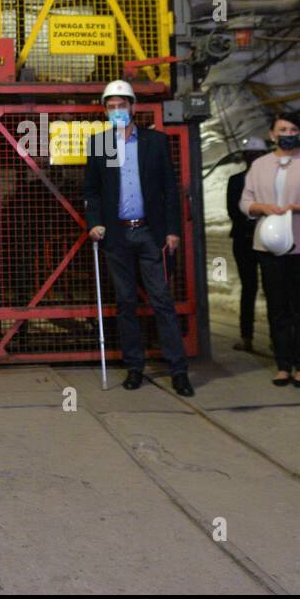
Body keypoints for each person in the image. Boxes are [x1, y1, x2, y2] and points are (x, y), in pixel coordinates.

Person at [84, 80, 192, 396]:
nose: (117, 111)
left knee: (161, 300)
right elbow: (91, 191)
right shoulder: (99, 144)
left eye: (122, 105)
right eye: (111, 106)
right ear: (105, 111)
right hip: (116, 235)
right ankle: (134, 367)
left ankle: (179, 370)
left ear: (133, 107)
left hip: (149, 233)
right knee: (126, 302)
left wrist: (172, 230)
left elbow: (169, 190)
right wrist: (94, 222)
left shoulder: (154, 142)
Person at [239, 112, 300, 387]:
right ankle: (283, 365)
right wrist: (262, 208)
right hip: (269, 245)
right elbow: (245, 202)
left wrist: (298, 208)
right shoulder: (259, 166)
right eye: (283, 129)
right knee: (277, 307)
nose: (288, 133)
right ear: (272, 134)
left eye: (294, 128)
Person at [225, 136, 266, 353]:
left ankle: (278, 337)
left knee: (273, 288)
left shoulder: (273, 180)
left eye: (258, 155)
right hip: (244, 239)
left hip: (268, 240)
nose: (254, 159)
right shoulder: (236, 181)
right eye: (251, 155)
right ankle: (246, 336)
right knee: (249, 288)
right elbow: (233, 210)